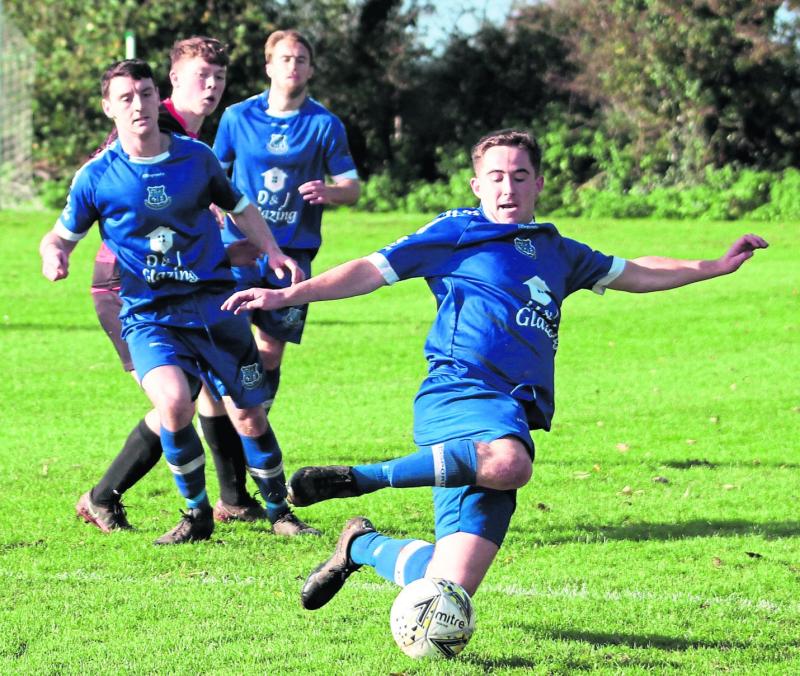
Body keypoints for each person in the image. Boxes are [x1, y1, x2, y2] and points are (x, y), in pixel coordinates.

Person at [221, 128, 769, 607]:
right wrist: (287, 295)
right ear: (477, 185)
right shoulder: (455, 233)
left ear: (539, 185)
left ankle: (359, 545)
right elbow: (370, 269)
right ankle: (360, 480)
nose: (508, 188)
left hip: (510, 410)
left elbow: (640, 270)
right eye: (497, 177)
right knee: (510, 464)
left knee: (445, 587)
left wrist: (715, 267)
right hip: (461, 391)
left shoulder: (559, 251)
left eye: (520, 176)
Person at [40, 59, 316, 544]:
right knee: (173, 402)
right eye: (125, 97)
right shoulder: (97, 176)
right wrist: (54, 255)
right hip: (151, 316)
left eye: (145, 93)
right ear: (109, 108)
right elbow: (60, 236)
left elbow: (241, 207)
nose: (138, 104)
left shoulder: (196, 157)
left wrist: (271, 250)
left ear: (156, 96)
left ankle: (279, 513)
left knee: (249, 413)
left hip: (215, 305)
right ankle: (196, 515)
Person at [77, 37, 272, 533]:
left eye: (220, 77)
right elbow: (127, 208)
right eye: (201, 76)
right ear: (174, 81)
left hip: (183, 283)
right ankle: (104, 495)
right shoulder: (155, 125)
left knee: (202, 391)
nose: (211, 87)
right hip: (129, 284)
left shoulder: (191, 141)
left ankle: (231, 498)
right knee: (177, 396)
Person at [205, 29, 359, 439]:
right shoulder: (238, 117)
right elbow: (214, 172)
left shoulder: (324, 123)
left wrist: (331, 191)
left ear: (310, 68)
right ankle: (236, 425)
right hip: (238, 247)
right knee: (231, 338)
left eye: (301, 60)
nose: (293, 66)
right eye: (285, 58)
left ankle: (255, 425)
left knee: (270, 351)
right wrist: (213, 207)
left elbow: (353, 186)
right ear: (269, 65)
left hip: (293, 251)